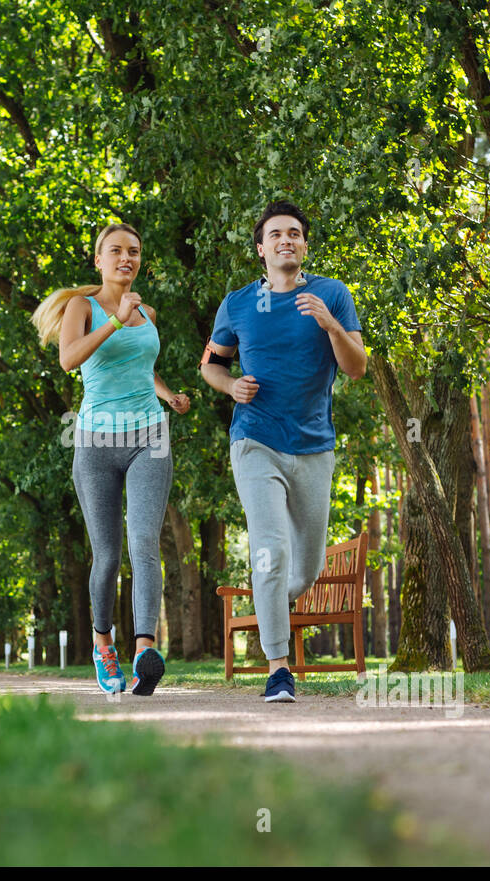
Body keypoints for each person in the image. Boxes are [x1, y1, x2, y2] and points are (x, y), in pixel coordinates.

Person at [199, 201, 366, 701]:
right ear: (261, 249)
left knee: (306, 568)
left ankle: (266, 597)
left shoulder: (332, 294)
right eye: (276, 235)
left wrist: (331, 325)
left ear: (304, 245)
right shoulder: (238, 304)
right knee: (269, 550)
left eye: (294, 233)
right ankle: (278, 668)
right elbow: (210, 364)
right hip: (255, 440)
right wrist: (229, 388)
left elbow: (356, 368)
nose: (286, 240)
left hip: (314, 446)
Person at [30, 223, 190, 695]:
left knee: (145, 542)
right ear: (99, 260)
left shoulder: (148, 311)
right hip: (95, 443)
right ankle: (104, 646)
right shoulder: (83, 307)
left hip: (149, 438)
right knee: (107, 555)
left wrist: (168, 395)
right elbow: (70, 359)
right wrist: (116, 319)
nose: (126, 257)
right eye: (116, 251)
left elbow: (143, 365)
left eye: (134, 251)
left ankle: (144, 649)